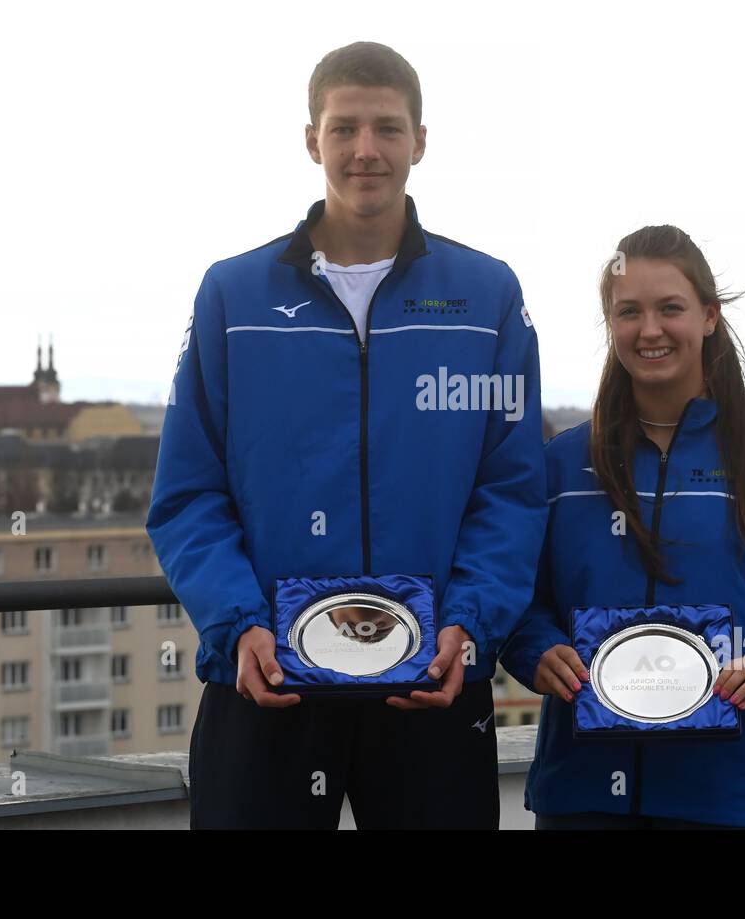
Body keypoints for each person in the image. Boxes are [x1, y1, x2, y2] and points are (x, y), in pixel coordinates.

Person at [146, 41, 547, 829]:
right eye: (345, 128)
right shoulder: (233, 294)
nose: (367, 150)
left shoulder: (487, 295)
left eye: (388, 129)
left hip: (431, 680)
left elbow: (512, 490)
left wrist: (469, 626)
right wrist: (237, 626)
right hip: (268, 678)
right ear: (312, 140)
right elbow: (189, 494)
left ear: (420, 142)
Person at [499, 225, 745, 829]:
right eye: (628, 312)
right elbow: (518, 602)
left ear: (710, 317)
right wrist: (537, 651)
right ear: (610, 325)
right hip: (583, 794)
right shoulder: (560, 463)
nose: (651, 330)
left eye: (671, 308)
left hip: (727, 797)